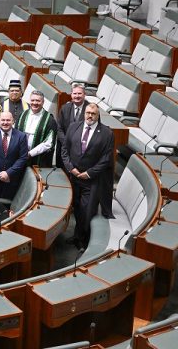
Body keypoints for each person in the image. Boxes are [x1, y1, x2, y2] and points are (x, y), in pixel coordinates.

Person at [62, 104, 115, 249]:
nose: (90, 116)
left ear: (98, 116)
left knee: (87, 210)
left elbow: (106, 159)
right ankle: (77, 236)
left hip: (91, 181)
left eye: (93, 113)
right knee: (77, 208)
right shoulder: (74, 127)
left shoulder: (106, 133)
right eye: (88, 113)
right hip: (74, 177)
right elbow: (65, 150)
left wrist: (89, 173)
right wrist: (71, 168)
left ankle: (84, 242)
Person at [0, 111, 29, 201]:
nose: (5, 122)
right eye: (3, 120)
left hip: (11, 180)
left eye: (8, 120)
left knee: (7, 208)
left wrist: (8, 173)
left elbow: (23, 157)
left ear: (13, 121)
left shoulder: (21, 136)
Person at [16, 90, 58, 167]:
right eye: (32, 100)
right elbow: (15, 134)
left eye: (38, 101)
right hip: (20, 156)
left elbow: (48, 143)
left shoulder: (50, 120)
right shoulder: (22, 115)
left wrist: (30, 154)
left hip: (39, 160)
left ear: (43, 102)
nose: (35, 103)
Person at [56, 83, 89, 168]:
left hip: (82, 150)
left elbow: (93, 130)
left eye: (79, 93)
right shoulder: (65, 108)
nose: (77, 96)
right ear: (71, 95)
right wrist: (66, 143)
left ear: (84, 95)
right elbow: (59, 128)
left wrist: (76, 145)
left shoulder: (91, 109)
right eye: (74, 93)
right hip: (65, 147)